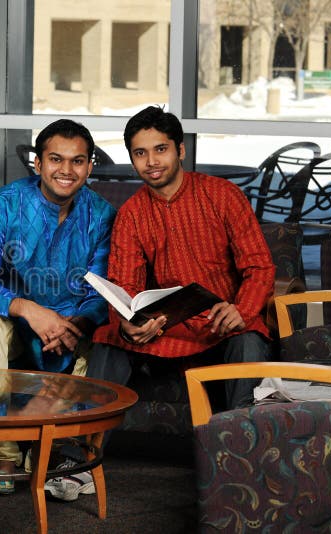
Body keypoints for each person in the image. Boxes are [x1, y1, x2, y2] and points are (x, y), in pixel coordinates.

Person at [88, 106, 275, 422]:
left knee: (247, 341)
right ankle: (81, 448)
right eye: (140, 153)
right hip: (166, 331)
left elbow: (259, 266)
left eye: (160, 149)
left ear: (181, 150)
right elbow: (124, 285)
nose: (151, 161)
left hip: (222, 327)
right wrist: (129, 325)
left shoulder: (223, 195)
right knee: (109, 340)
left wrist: (241, 310)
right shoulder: (131, 214)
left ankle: (241, 446)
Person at [0, 118, 115, 497]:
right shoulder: (3, 206)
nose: (67, 170)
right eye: (56, 159)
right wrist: (29, 309)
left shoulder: (101, 214)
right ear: (38, 163)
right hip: (13, 321)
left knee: (101, 335)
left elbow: (101, 288)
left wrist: (76, 323)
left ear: (90, 166)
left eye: (78, 161)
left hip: (70, 326)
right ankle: (1, 455)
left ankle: (53, 449)